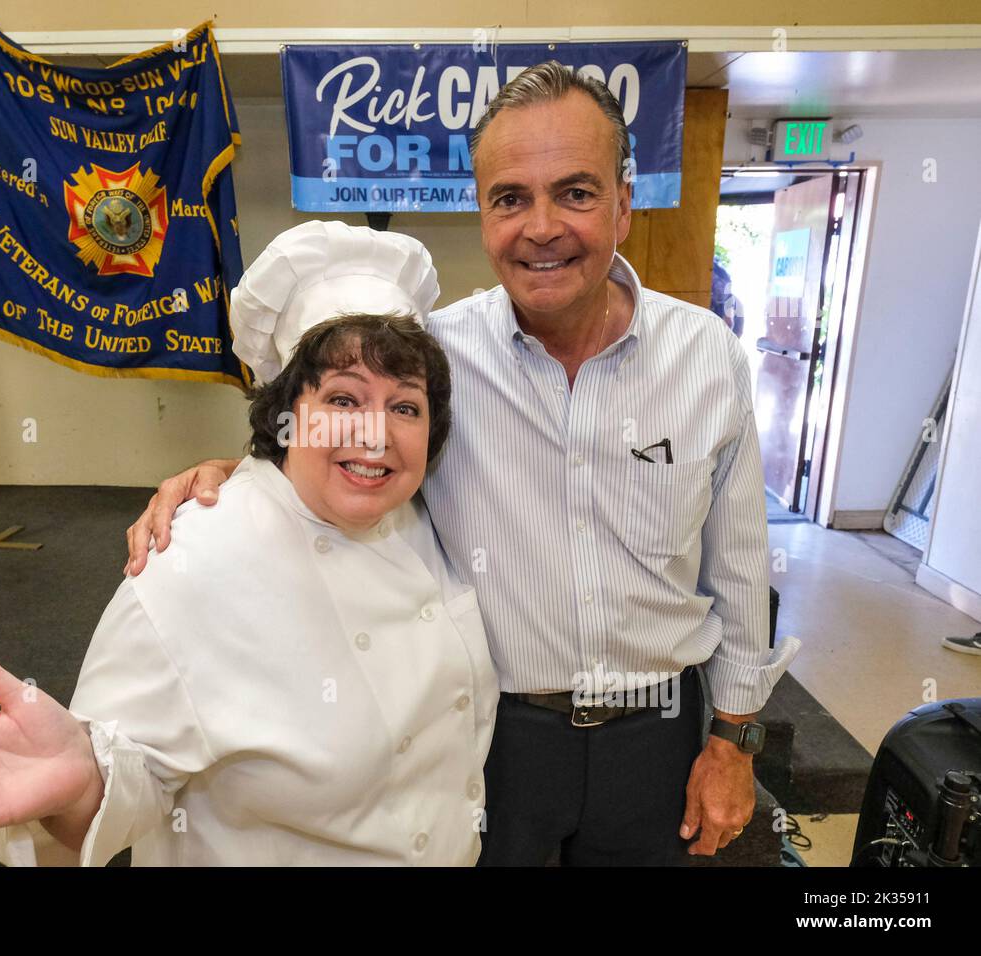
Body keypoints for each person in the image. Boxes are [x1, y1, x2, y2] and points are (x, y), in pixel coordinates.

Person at [125, 63, 801, 865]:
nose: (540, 227)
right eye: (510, 198)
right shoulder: (437, 359)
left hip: (658, 733)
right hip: (492, 736)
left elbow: (739, 569)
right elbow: (343, 452)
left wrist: (735, 741)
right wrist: (232, 478)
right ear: (482, 213)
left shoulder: (706, 357)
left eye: (575, 193)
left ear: (624, 201)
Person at [0, 222, 499, 865]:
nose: (375, 435)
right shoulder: (193, 559)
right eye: (344, 401)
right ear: (287, 414)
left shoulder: (423, 516)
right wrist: (81, 777)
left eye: (405, 406)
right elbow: (134, 771)